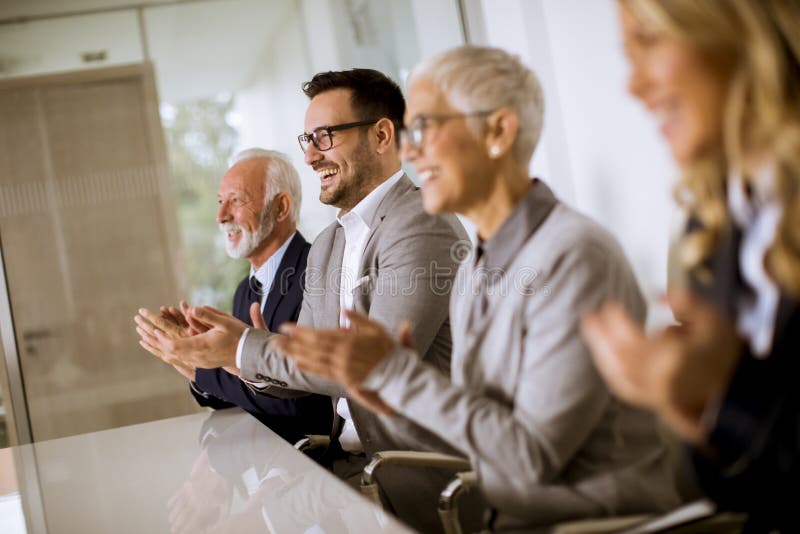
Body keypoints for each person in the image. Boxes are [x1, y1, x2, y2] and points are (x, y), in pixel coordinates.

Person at [266, 46, 683, 531]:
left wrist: (390, 374)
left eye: (426, 128)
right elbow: (480, 426)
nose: (412, 149)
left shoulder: (574, 256)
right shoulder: (476, 266)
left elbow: (529, 457)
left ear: (498, 132)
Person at [136, 68, 469, 533]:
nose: (311, 155)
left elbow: (372, 368)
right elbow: (308, 375)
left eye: (326, 137)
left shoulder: (422, 224)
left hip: (407, 479)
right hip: (344, 471)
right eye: (307, 139)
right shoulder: (331, 242)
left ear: (381, 134)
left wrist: (241, 347)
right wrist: (226, 355)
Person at [579, 1, 800, 532]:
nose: (632, 85)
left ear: (742, 31)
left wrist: (729, 393)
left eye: (649, 41)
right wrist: (700, 411)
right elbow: (744, 482)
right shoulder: (714, 222)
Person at [138, 149, 332, 444]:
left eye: (236, 200)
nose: (220, 216)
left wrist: (203, 365)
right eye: (220, 201)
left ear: (281, 207)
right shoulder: (245, 290)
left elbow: (303, 404)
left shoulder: (316, 276)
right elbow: (239, 400)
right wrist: (198, 356)